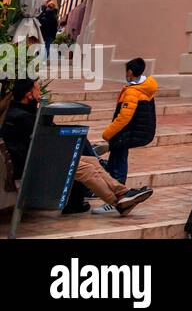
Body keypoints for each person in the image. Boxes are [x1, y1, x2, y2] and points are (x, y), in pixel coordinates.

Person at [0, 79, 154, 216]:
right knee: (86, 169)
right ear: (29, 95)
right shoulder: (21, 117)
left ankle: (123, 193)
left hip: (40, 159)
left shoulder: (22, 113)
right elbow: (44, 144)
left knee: (92, 161)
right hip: (32, 167)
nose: (40, 93)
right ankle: (117, 202)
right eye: (37, 89)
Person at [98, 57, 158, 194]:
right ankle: (112, 188)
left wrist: (107, 133)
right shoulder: (146, 88)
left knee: (118, 159)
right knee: (118, 156)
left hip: (127, 132)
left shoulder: (132, 92)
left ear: (130, 72)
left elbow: (124, 118)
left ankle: (117, 191)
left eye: (127, 72)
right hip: (138, 131)